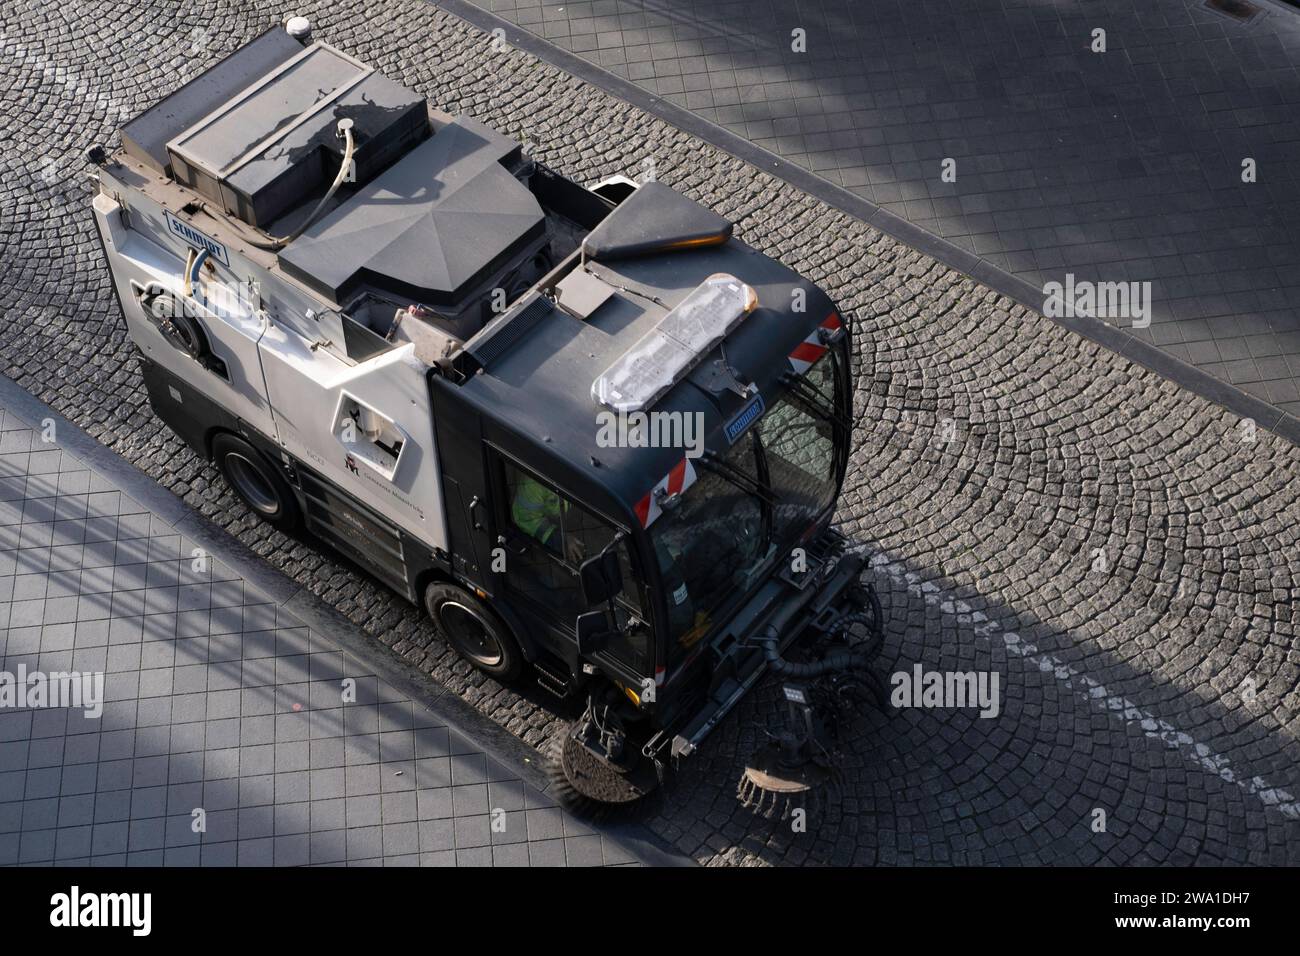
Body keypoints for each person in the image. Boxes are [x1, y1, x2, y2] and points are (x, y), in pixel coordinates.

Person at [512, 473, 584, 563]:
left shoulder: (580, 468)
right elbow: (526, 519)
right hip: (540, 526)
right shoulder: (533, 483)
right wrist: (561, 540)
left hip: (570, 517)